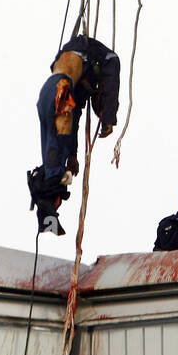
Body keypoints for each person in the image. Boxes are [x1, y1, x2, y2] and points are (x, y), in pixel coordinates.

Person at [28, 34, 120, 235]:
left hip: (47, 93)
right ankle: (49, 189)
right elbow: (112, 75)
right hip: (60, 87)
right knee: (57, 160)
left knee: (53, 152)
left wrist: (72, 155)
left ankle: (47, 212)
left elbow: (75, 116)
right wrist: (109, 117)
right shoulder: (105, 56)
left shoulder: (78, 76)